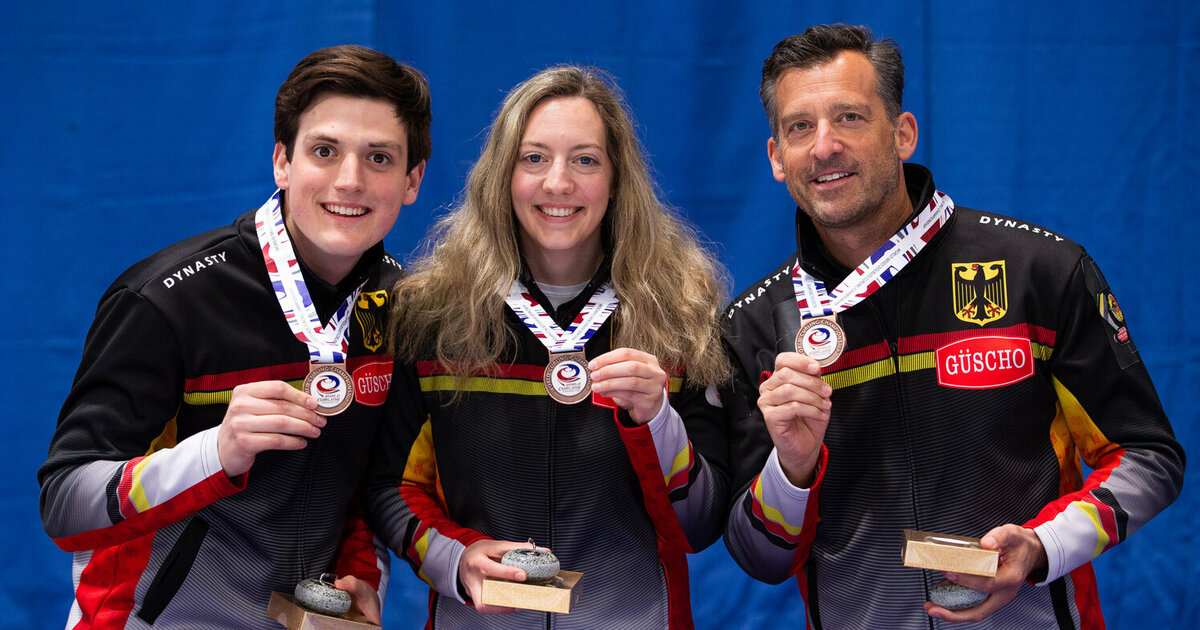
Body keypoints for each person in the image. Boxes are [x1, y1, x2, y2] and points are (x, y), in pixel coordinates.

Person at [720, 23, 1185, 628]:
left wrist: (1043, 547)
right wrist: (792, 469)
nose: (824, 146)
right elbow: (760, 557)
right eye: (799, 127)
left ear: (903, 133)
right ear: (777, 157)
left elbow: (1149, 457)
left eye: (851, 118)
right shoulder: (752, 327)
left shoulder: (1038, 272)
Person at [38, 45, 430, 629]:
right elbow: (65, 503)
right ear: (282, 162)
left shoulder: (406, 310)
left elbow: (367, 486)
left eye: (379, 158)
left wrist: (361, 580)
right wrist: (213, 453)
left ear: (411, 181)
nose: (350, 181)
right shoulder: (168, 298)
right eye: (325, 151)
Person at [364, 65, 729, 629]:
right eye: (534, 158)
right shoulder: (435, 315)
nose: (558, 183)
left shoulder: (678, 312)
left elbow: (701, 525)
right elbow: (391, 487)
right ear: (502, 176)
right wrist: (455, 558)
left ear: (617, 178)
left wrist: (658, 421)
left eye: (585, 159)